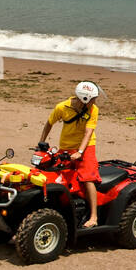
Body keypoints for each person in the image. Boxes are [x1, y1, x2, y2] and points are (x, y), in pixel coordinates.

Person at [39, 81, 103, 228]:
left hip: (86, 146)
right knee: (55, 174)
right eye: (93, 98)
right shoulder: (62, 107)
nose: (95, 101)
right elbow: (49, 123)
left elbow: (88, 133)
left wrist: (80, 152)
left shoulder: (93, 110)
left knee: (88, 178)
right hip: (66, 147)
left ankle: (93, 217)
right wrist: (41, 143)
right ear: (84, 99)